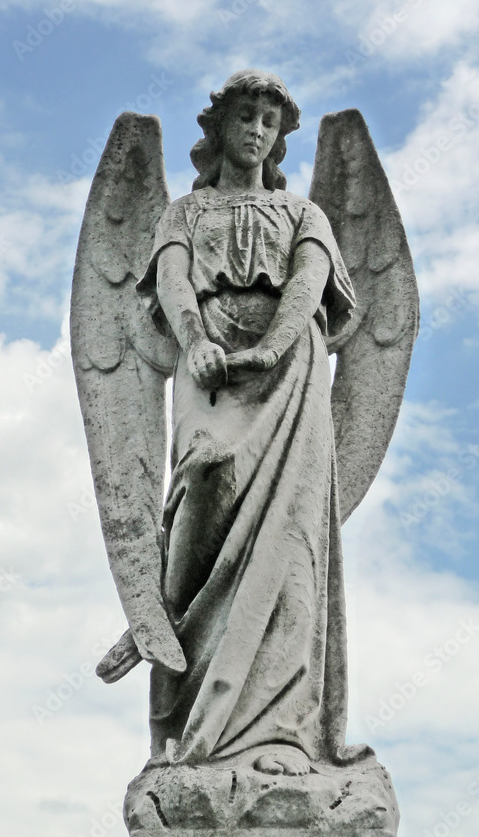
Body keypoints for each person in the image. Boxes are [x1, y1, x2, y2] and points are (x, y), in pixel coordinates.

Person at [137, 69, 369, 776]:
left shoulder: (304, 215)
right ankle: (185, 714)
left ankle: (281, 734)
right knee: (203, 485)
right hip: (208, 370)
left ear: (280, 136)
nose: (257, 131)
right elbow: (172, 282)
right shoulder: (183, 214)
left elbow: (308, 283)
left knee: (290, 543)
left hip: (289, 372)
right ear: (220, 127)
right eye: (246, 116)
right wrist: (195, 340)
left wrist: (272, 348)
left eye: (270, 121)